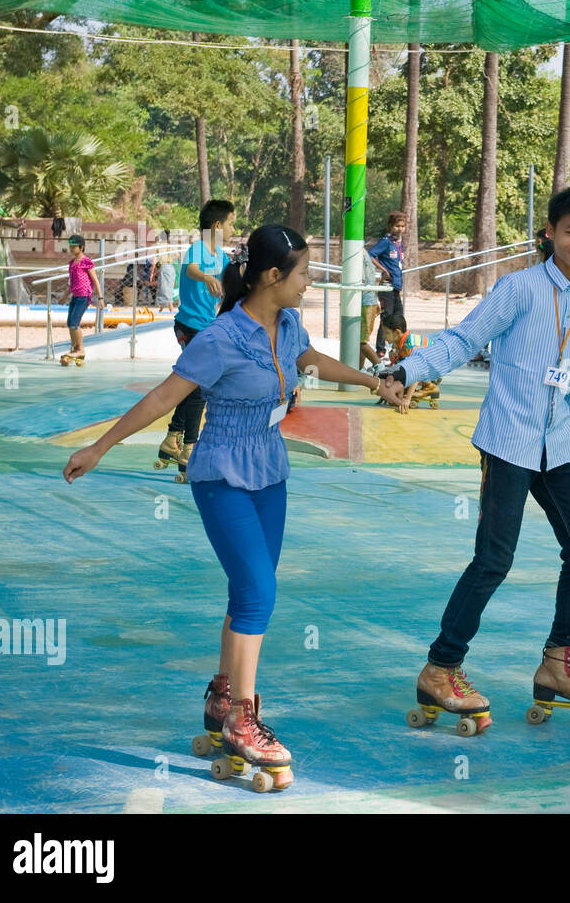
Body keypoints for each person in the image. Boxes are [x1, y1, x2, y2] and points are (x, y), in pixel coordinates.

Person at [63, 224, 402, 789]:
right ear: (273, 276)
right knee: (258, 593)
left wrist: (374, 381)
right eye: (303, 273)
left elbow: (312, 360)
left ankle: (224, 698)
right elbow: (163, 397)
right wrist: (100, 446)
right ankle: (245, 718)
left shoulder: (288, 323)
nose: (308, 282)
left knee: (251, 586)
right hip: (221, 472)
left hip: (270, 470)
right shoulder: (220, 338)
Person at [388, 187, 570, 733]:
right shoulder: (519, 289)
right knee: (494, 560)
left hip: (558, 445)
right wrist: (407, 371)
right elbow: (463, 340)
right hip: (509, 441)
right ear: (549, 234)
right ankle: (441, 668)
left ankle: (559, 663)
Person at [161, 201, 235, 480]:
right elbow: (191, 268)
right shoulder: (198, 248)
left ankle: (173, 436)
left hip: (207, 328)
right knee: (200, 385)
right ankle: (188, 448)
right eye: (230, 223)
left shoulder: (222, 255)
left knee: (194, 385)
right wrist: (205, 277)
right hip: (189, 326)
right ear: (216, 226)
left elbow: (233, 278)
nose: (232, 229)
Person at [368, 211, 405, 353]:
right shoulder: (386, 241)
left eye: (402, 226)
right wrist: (384, 270)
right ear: (391, 226)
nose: (400, 229)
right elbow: (370, 255)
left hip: (395, 287)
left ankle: (398, 348)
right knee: (387, 318)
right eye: (397, 226)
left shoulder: (399, 243)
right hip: (386, 288)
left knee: (399, 318)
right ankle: (380, 350)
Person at [63, 235, 104, 364]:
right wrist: (64, 296)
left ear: (81, 247)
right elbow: (72, 283)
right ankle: (74, 347)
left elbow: (95, 280)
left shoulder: (86, 262)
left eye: (74, 246)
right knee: (70, 323)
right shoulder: (71, 264)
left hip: (84, 296)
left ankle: (80, 349)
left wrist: (100, 297)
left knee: (75, 322)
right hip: (75, 296)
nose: (71, 248)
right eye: (70, 246)